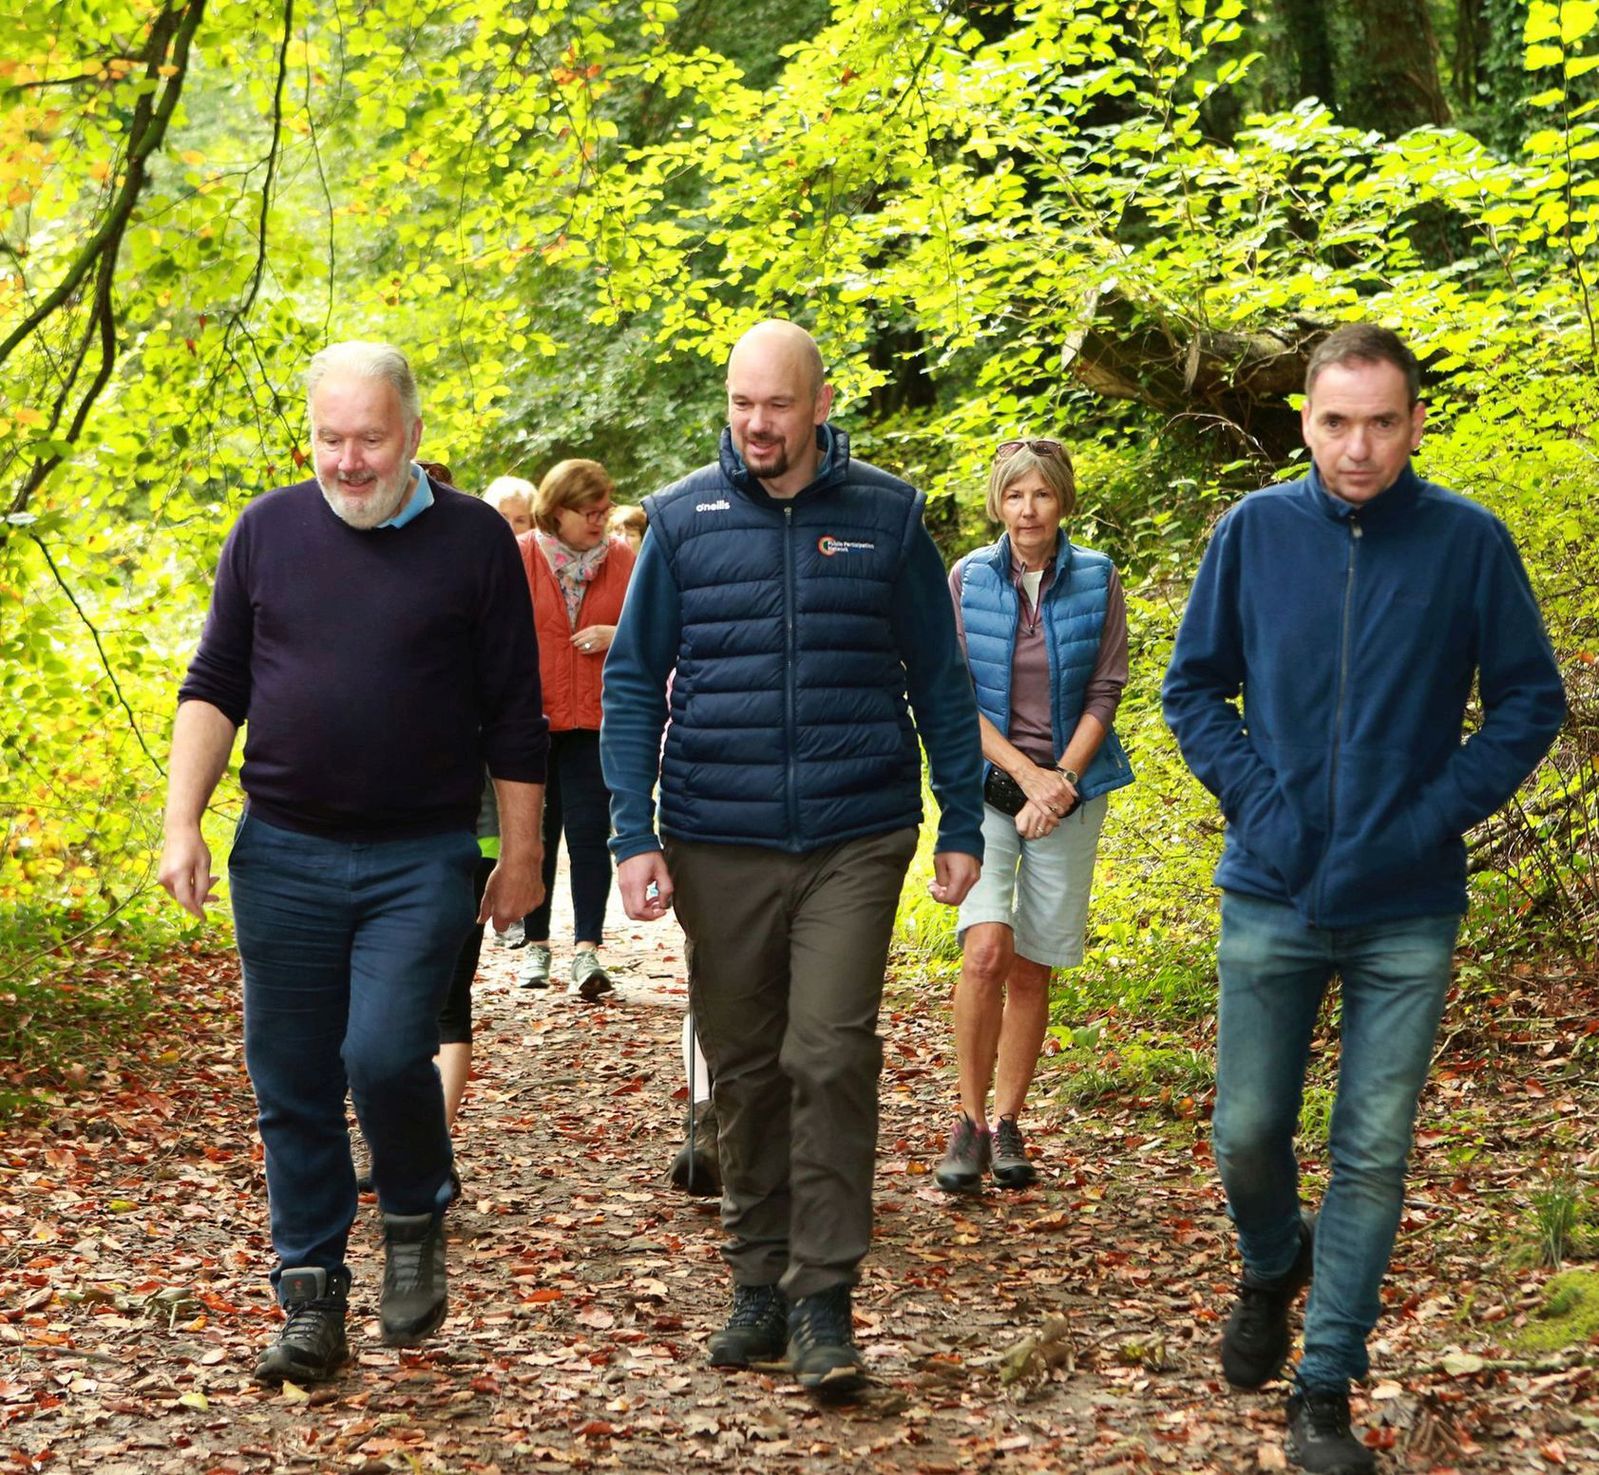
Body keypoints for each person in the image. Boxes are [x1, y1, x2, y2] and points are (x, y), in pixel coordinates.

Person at [1163, 324, 1564, 1474]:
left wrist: (1431, 814)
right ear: (1303, 421)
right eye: (1336, 421)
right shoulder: (1254, 533)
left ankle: (1324, 1381)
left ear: (1416, 422)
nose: (1358, 445)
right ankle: (1270, 1257)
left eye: (1382, 420)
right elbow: (1193, 690)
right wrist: (1264, 809)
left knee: (1374, 1146)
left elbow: (1529, 702)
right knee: (1246, 1133)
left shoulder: (1468, 544)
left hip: (1409, 901)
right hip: (1273, 888)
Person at [601, 319, 985, 1395]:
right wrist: (633, 831)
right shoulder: (682, 520)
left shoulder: (888, 515)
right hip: (718, 837)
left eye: (776, 404)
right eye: (740, 403)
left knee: (830, 1051)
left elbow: (940, 681)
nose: (757, 424)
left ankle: (824, 1298)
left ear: (821, 404)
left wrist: (960, 820)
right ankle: (756, 1277)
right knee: (748, 1065)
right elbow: (633, 682)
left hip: (854, 833)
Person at [158, 341, 548, 1386]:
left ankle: (415, 1204)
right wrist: (180, 820)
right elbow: (216, 679)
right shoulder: (266, 531)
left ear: (412, 435)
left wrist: (520, 856)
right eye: (330, 438)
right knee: (289, 1077)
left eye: (369, 437)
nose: (348, 459)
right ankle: (312, 1290)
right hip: (281, 848)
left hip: (421, 853)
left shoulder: (474, 542)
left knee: (382, 1051)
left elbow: (517, 710)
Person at [935, 438, 1132, 1193]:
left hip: (1073, 789)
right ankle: (968, 1123)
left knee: (1031, 962)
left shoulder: (1098, 577)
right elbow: (957, 696)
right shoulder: (967, 577)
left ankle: (1010, 1120)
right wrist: (1026, 778)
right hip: (987, 785)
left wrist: (1062, 782)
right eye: (1014, 495)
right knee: (985, 949)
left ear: (1062, 503)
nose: (1027, 509)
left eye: (1041, 495)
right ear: (997, 503)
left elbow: (1105, 689)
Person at [515, 459, 636, 999]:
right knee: (537, 834)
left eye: (605, 509)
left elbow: (656, 627)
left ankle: (587, 951)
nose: (600, 520)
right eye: (589, 511)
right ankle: (536, 945)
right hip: (532, 720)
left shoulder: (627, 562)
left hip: (595, 718)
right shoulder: (518, 559)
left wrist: (618, 633)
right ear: (557, 511)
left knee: (588, 833)